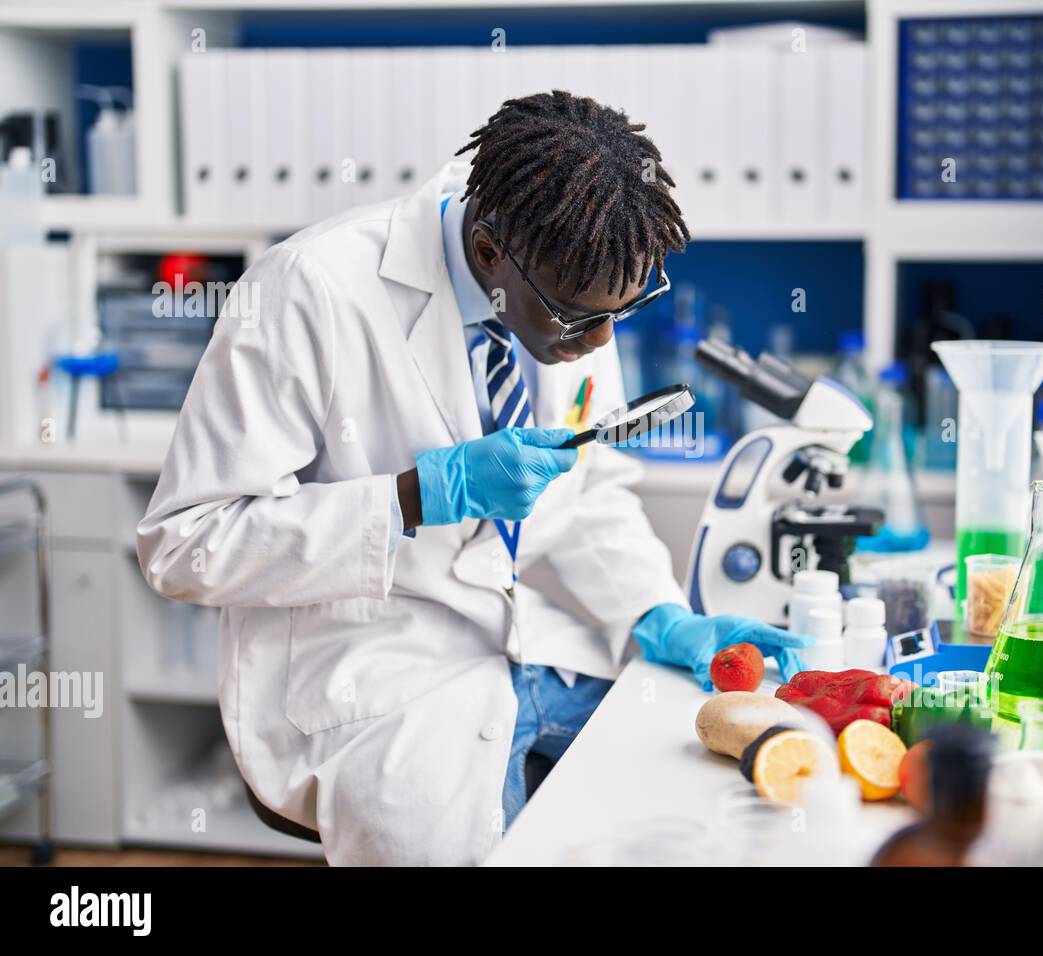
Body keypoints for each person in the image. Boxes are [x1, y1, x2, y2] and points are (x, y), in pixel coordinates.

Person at [137, 91, 809, 865]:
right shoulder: (306, 290)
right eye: (577, 319)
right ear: (490, 255)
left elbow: (588, 493)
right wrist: (416, 496)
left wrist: (659, 615)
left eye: (623, 312)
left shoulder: (579, 270)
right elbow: (183, 544)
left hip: (531, 645)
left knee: (683, 785)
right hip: (373, 679)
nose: (600, 342)